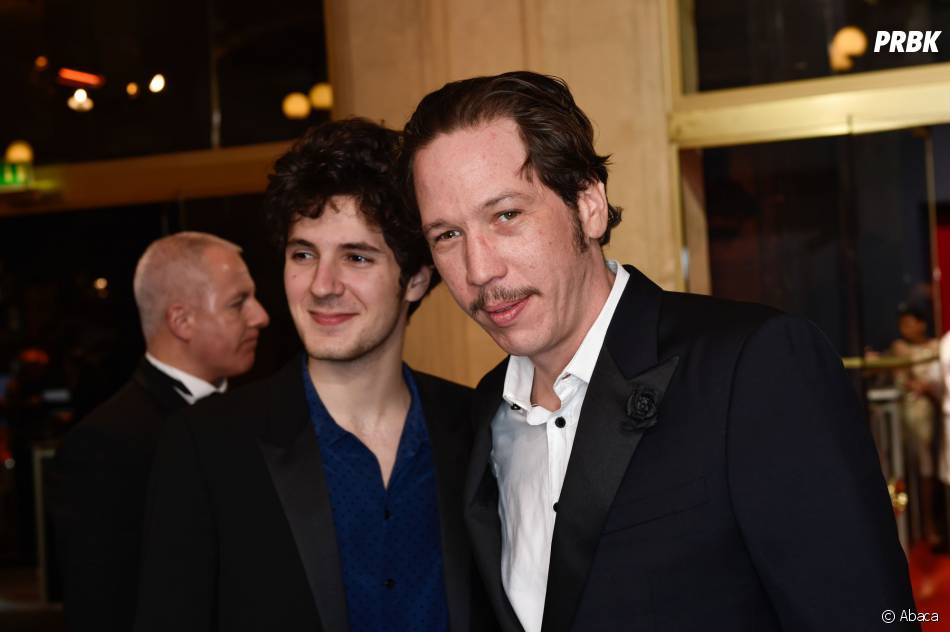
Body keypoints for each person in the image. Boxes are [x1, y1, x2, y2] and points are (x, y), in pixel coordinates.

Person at [401, 71, 918, 632]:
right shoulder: (484, 415)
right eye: (447, 236)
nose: (480, 270)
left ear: (589, 204)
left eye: (506, 216)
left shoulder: (756, 368)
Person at [135, 119, 493, 632]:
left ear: (415, 278)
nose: (322, 285)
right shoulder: (207, 446)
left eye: (356, 257)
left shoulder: (481, 428)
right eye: (303, 254)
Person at [55, 232, 270, 632]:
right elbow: (99, 607)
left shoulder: (258, 417)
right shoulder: (107, 442)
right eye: (239, 302)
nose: (261, 316)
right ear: (182, 321)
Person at [888, 305, 941, 545]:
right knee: (902, 467)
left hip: (927, 415)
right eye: (902, 324)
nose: (905, 329)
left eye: (910, 322)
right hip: (901, 416)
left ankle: (930, 524)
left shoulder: (935, 348)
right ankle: (907, 526)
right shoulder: (900, 348)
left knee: (927, 468)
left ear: (922, 324)